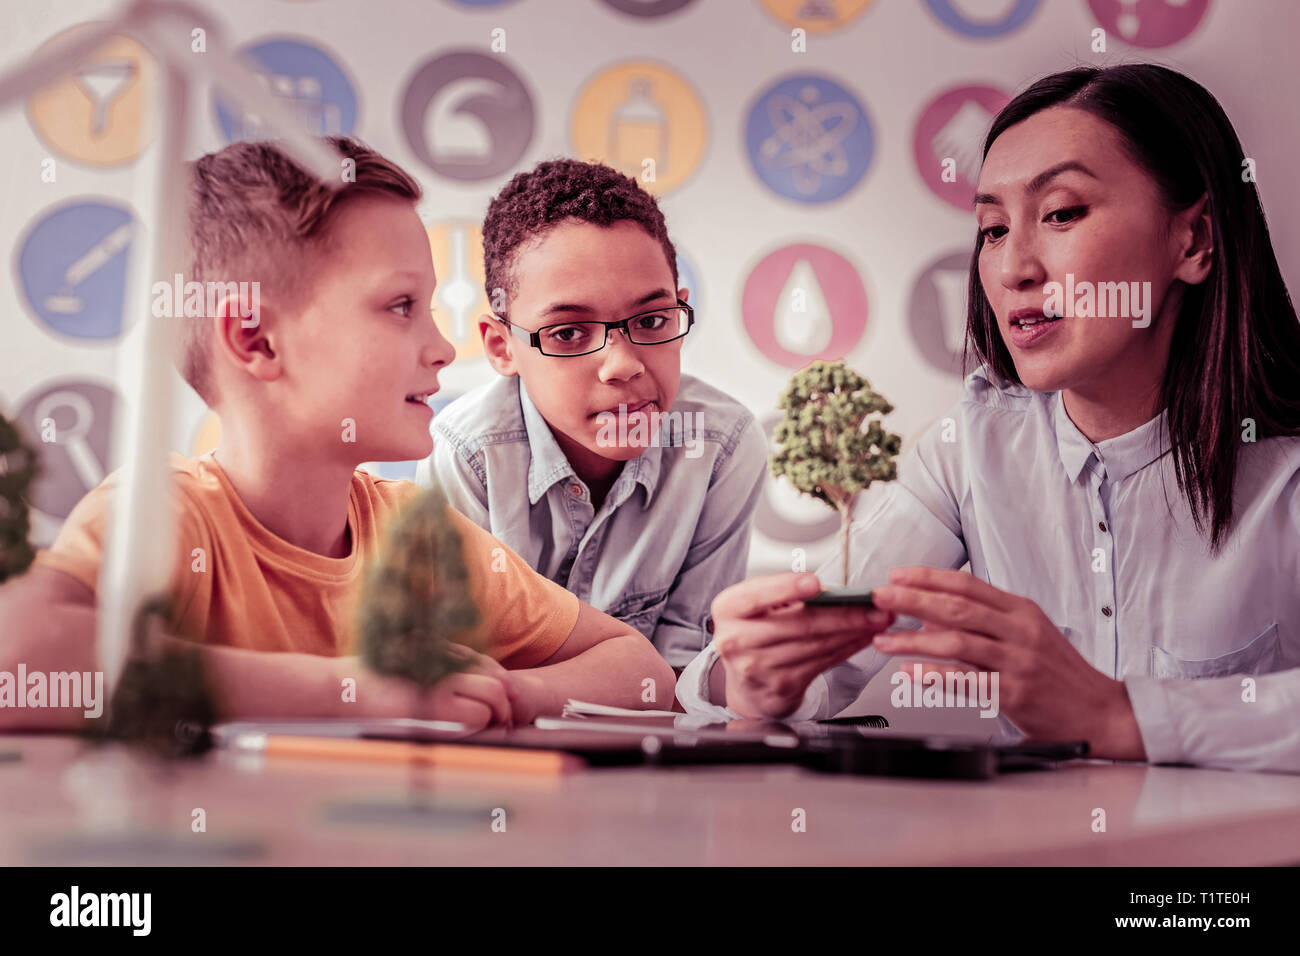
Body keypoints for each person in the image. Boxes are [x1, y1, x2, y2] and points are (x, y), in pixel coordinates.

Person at [677, 64, 1300, 773]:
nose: (1013, 269)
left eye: (1062, 212)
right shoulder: (968, 447)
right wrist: (752, 678)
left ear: (1193, 242)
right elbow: (820, 657)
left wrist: (1117, 715)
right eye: (994, 229)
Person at [0, 137, 673, 732]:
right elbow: (19, 658)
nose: (441, 349)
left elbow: (640, 671)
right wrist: (358, 692)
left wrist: (509, 694)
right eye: (400, 306)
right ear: (255, 340)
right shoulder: (167, 514)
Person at [418, 159, 767, 671]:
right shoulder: (466, 458)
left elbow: (687, 674)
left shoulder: (722, 447)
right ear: (502, 347)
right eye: (567, 333)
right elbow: (467, 675)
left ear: (680, 309)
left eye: (651, 320)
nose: (624, 365)